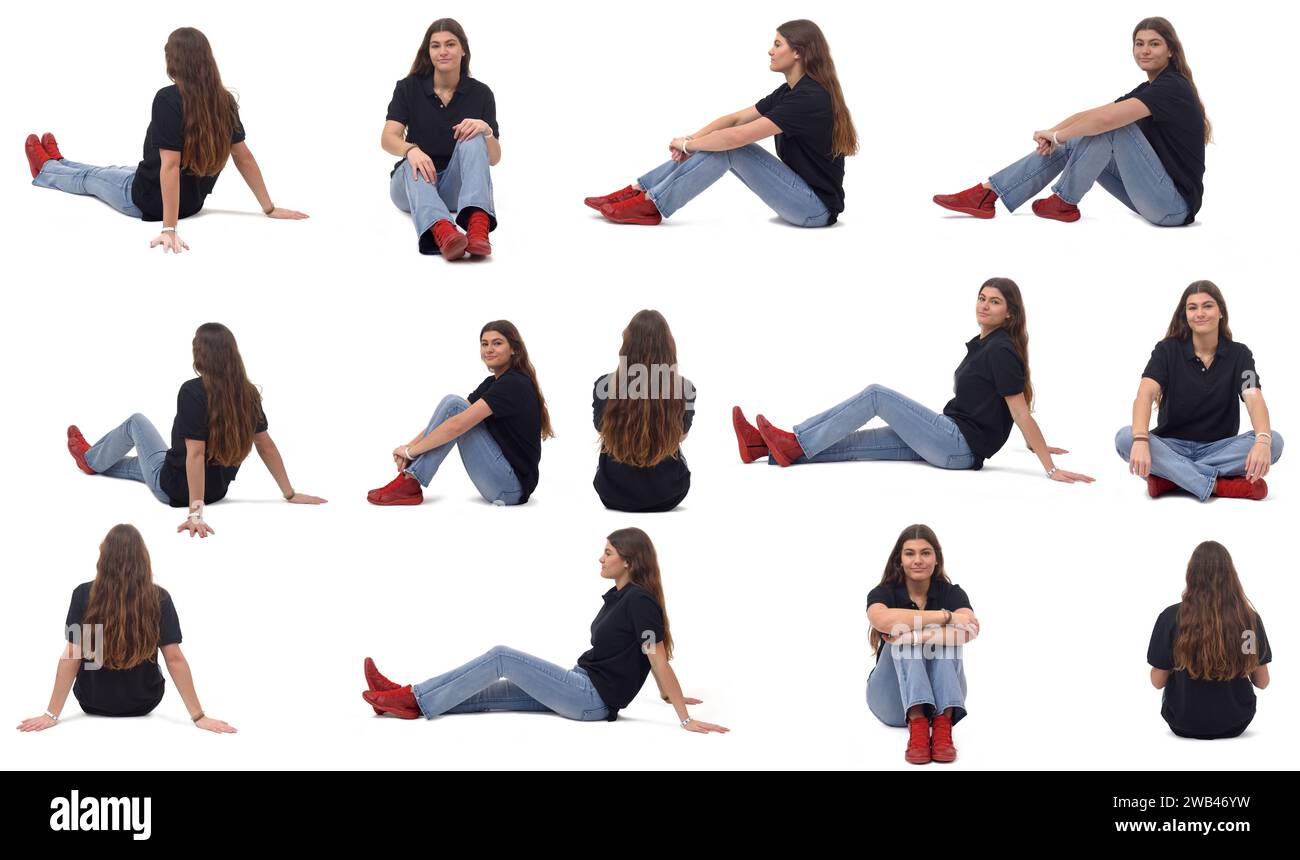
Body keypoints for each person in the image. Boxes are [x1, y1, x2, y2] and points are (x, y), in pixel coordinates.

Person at [362, 528, 728, 733]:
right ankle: (403, 699)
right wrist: (667, 696)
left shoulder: (640, 602)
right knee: (490, 694)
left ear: (629, 561)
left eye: (608, 552)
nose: (601, 558)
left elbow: (657, 660)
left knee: (502, 656)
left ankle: (411, 696)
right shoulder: (618, 598)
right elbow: (644, 660)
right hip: (580, 684)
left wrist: (684, 717)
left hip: (590, 699)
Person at [732, 278, 1093, 483]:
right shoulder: (984, 345)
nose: (984, 305)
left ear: (1010, 313)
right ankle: (765, 449)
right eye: (981, 298)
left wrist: (1049, 466)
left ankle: (793, 439)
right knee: (857, 445)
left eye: (995, 302)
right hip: (948, 440)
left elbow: (1019, 413)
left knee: (876, 395)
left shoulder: (1000, 350)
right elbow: (1002, 410)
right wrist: (1035, 446)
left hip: (956, 444)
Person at [25, 27, 307, 252]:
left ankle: (47, 168)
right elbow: (242, 155)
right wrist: (268, 208)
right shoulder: (223, 100)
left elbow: (170, 165)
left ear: (173, 60)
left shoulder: (168, 99)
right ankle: (58, 160)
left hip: (145, 200)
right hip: (190, 203)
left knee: (89, 178)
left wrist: (169, 229)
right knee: (106, 170)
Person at [933, 17, 1208, 226]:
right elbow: (1092, 114)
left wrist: (1059, 137)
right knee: (1082, 134)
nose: (1145, 51)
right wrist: (1053, 132)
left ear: (1171, 50)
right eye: (1139, 43)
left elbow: (1105, 120)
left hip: (1173, 207)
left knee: (1112, 129)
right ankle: (987, 194)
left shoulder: (1173, 86)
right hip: (1150, 197)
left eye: (1154, 44)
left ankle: (1064, 201)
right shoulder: (1149, 88)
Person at [584, 19, 855, 228]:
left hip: (815, 209)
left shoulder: (809, 97)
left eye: (777, 44)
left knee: (732, 146)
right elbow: (734, 119)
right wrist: (691, 139)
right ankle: (639, 192)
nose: (770, 51)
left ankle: (650, 204)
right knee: (724, 139)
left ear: (798, 52)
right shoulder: (790, 92)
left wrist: (690, 145)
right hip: (800, 196)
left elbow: (737, 137)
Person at [66, 323, 326, 537]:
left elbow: (196, 454)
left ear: (200, 355)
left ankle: (89, 459)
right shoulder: (247, 393)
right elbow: (265, 445)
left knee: (136, 422)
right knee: (139, 464)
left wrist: (195, 514)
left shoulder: (192, 391)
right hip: (216, 491)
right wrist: (289, 493)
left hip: (175, 487)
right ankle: (92, 461)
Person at [16, 525, 235, 733]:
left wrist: (51, 714)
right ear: (142, 560)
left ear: (104, 558)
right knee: (98, 641)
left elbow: (72, 655)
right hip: (144, 701)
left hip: (92, 700)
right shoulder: (159, 597)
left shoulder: (83, 594)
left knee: (92, 644)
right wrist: (199, 716)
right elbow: (174, 658)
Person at [1115, 281, 1282, 501]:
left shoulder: (1240, 354)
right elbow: (1145, 394)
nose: (1200, 313)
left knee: (1274, 442)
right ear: (1185, 315)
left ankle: (1171, 478)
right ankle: (1216, 486)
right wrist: (1141, 440)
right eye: (1192, 308)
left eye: (1207, 306)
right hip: (1171, 446)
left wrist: (1261, 441)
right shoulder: (1167, 350)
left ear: (1220, 311)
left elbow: (1253, 398)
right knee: (1126, 438)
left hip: (1219, 449)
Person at [368, 321, 549, 506]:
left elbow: (457, 423)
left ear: (514, 349)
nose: (489, 349)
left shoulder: (513, 383)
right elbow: (447, 420)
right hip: (502, 483)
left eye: (497, 343)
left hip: (510, 487)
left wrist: (411, 452)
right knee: (453, 405)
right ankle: (408, 481)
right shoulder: (492, 383)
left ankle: (410, 483)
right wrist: (408, 447)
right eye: (484, 343)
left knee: (455, 405)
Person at [383, 18, 499, 259]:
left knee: (474, 135)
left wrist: (486, 130)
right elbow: (388, 138)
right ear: (428, 52)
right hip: (412, 185)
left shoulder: (482, 93)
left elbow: (494, 158)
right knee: (411, 164)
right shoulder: (408, 88)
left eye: (450, 44)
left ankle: (478, 229)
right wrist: (411, 149)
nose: (443, 51)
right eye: (435, 46)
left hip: (454, 188)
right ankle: (445, 232)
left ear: (463, 49)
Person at [866, 525, 978, 764]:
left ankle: (942, 729)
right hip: (891, 700)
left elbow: (969, 629)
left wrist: (915, 636)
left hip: (944, 700)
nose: (918, 560)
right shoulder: (883, 592)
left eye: (925, 553)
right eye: (910, 553)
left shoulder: (951, 592)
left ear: (936, 558)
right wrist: (946, 617)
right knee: (903, 631)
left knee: (934, 637)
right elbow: (881, 619)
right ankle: (917, 725)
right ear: (900, 560)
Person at [1148, 541, 1271, 739]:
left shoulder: (1170, 618)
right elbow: (1262, 681)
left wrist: (1179, 657)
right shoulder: (1247, 621)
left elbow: (1157, 682)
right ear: (1231, 575)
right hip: (1236, 721)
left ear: (1191, 574)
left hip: (1182, 721)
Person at [593, 310, 695, 512]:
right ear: (668, 347)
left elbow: (602, 430)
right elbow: (681, 436)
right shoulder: (684, 388)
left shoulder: (604, 385)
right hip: (669, 494)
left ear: (627, 346)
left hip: (613, 494)